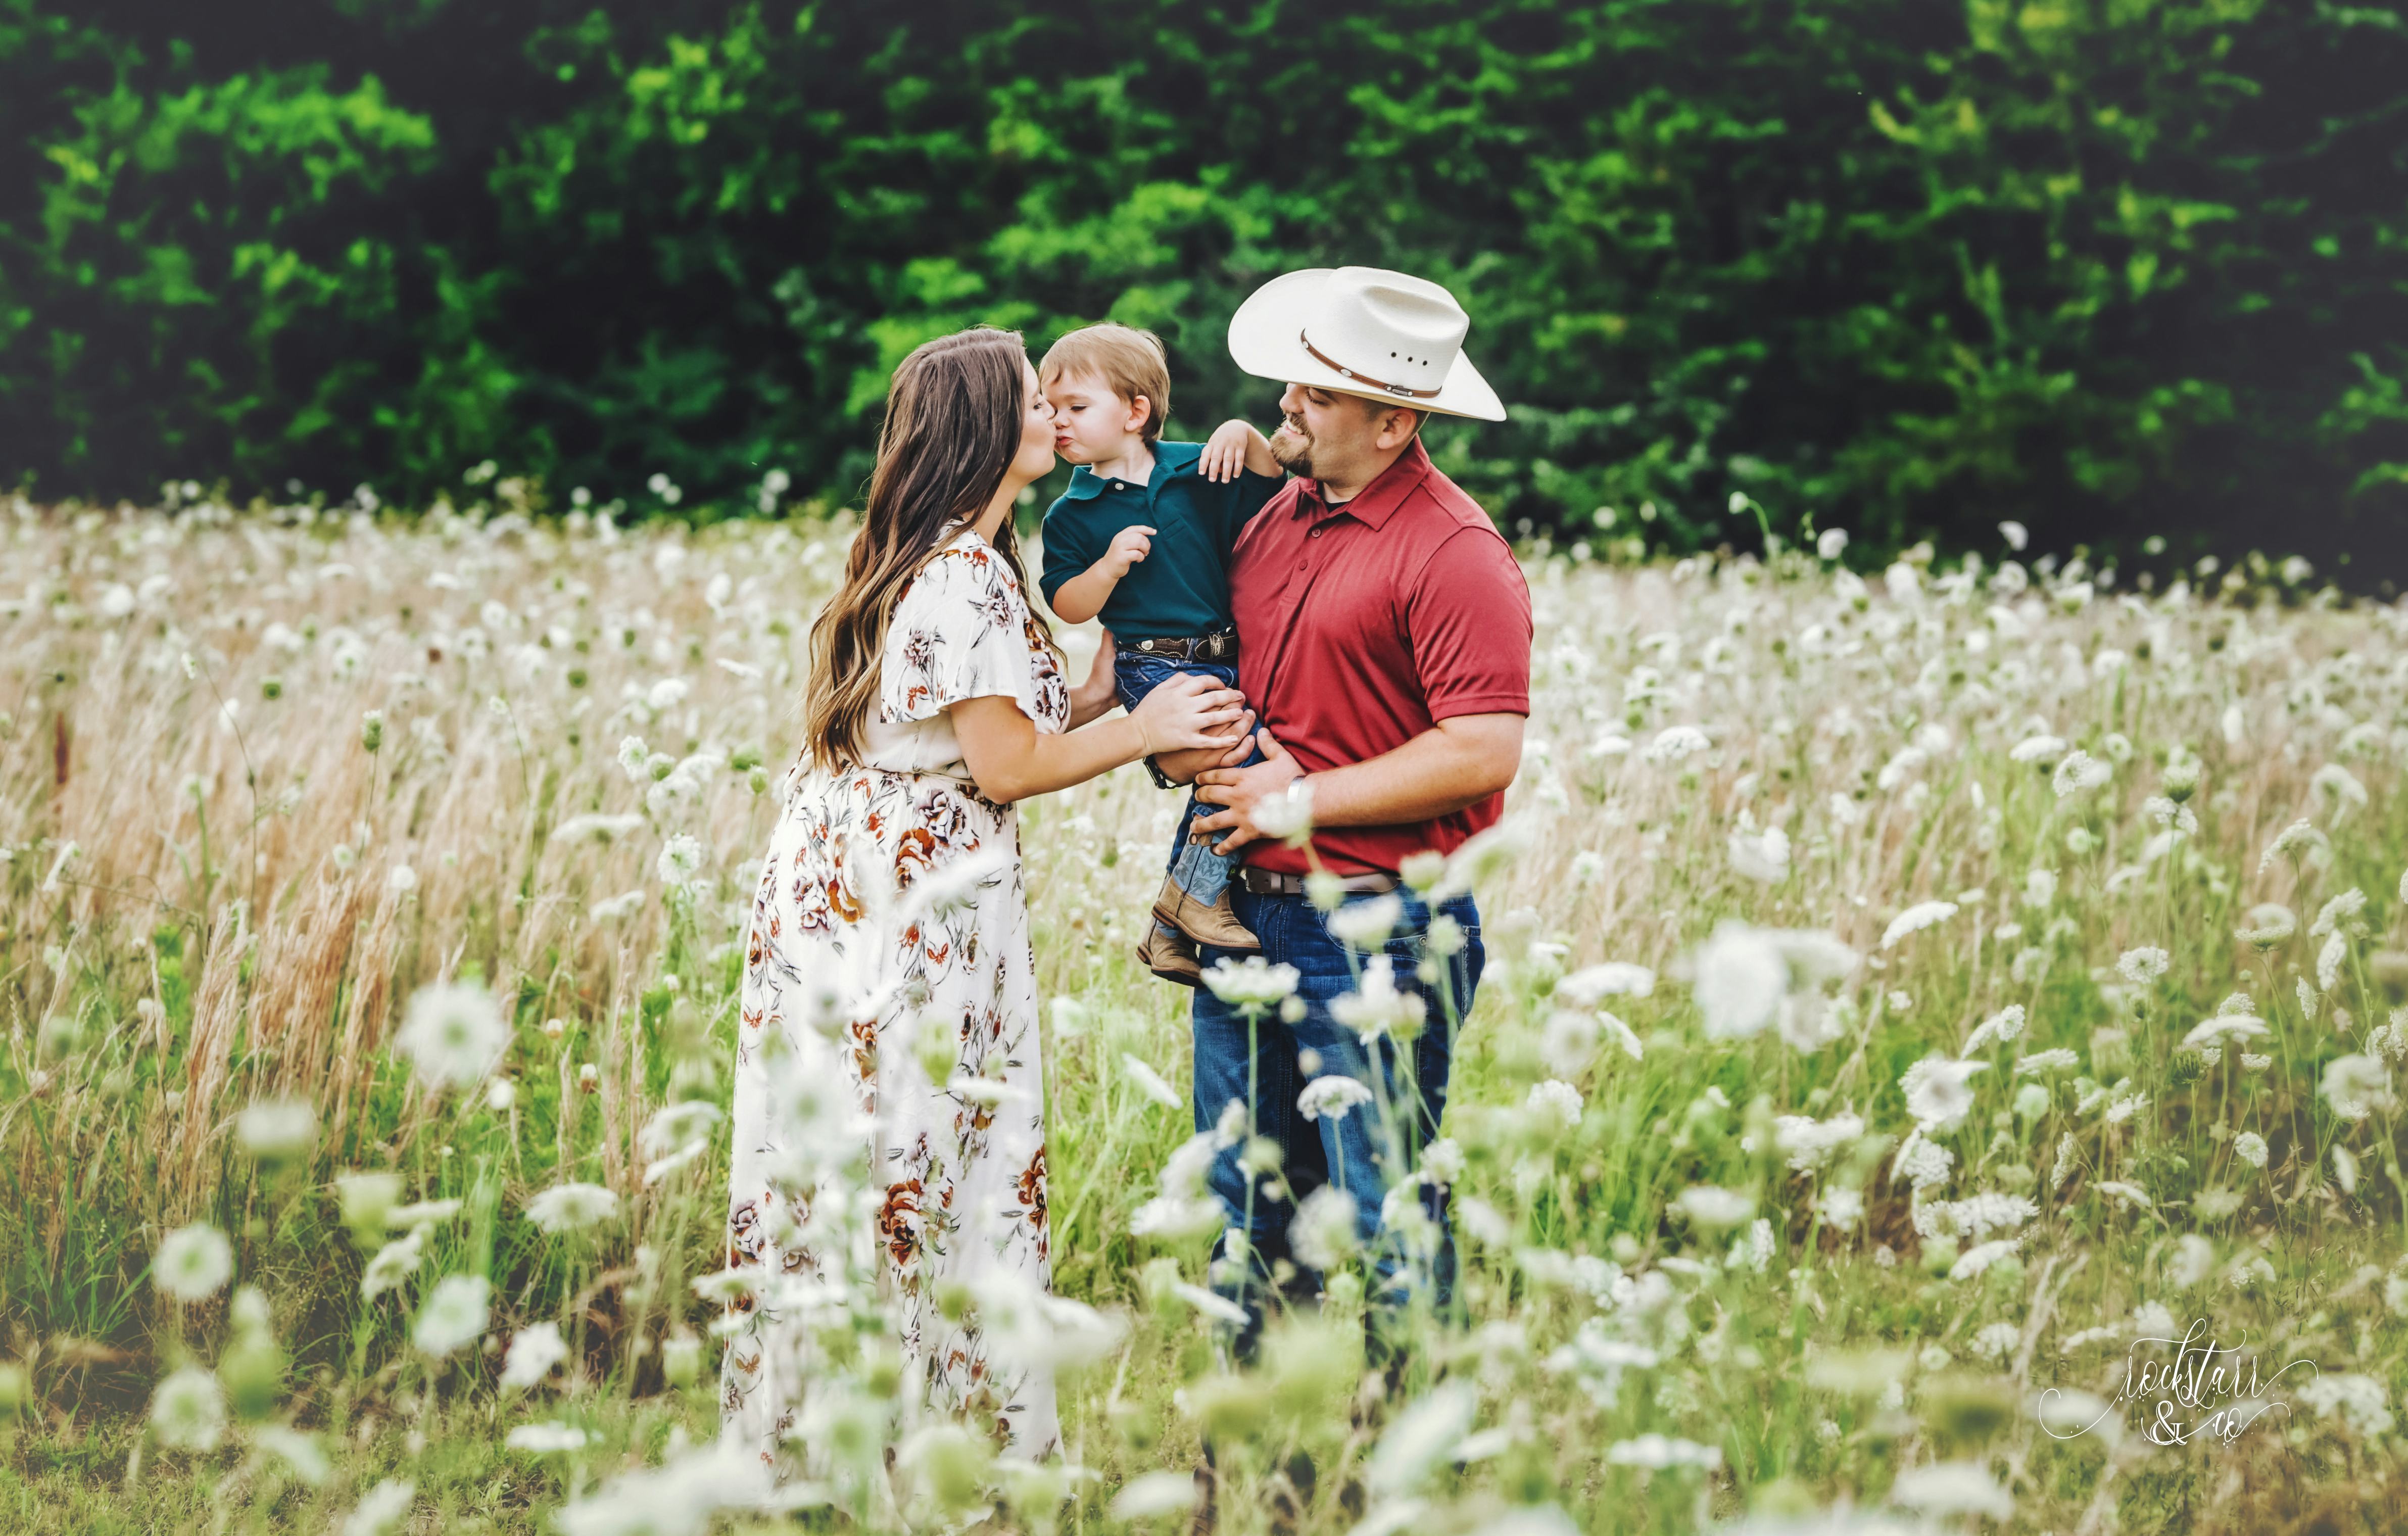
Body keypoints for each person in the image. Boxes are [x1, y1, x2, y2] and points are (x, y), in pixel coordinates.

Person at [719, 326, 1248, 1473]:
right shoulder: (958, 570)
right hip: (896, 901)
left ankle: (887, 1433)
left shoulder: (975, 558)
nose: (1055, 414)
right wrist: (1145, 731)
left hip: (888, 882)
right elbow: (1009, 766)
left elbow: (1031, 715)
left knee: (910, 1149)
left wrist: (1132, 656)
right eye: (1031, 400)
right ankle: (883, 1445)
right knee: (905, 1150)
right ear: (982, 431)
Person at [1150, 267, 1531, 1365]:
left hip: (1380, 925)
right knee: (1253, 1200)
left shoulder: (1456, 553)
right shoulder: (1274, 514)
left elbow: (1482, 749)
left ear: (1394, 419)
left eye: (1311, 396)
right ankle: (1266, 1448)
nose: (1285, 409)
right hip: (1241, 915)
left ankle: (1415, 1456)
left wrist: (1299, 797)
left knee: (1383, 1202)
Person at [1034, 322, 1287, 983]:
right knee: (1237, 755)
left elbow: (1270, 492)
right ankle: (1195, 899)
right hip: (1151, 662)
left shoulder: (1195, 470)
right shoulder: (1072, 513)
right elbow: (1069, 604)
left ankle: (1170, 923)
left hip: (1224, 656)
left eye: (1075, 408)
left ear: (1135, 412)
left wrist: (1243, 433)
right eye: (1049, 407)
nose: (1057, 422)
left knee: (1232, 765)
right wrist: (1109, 568)